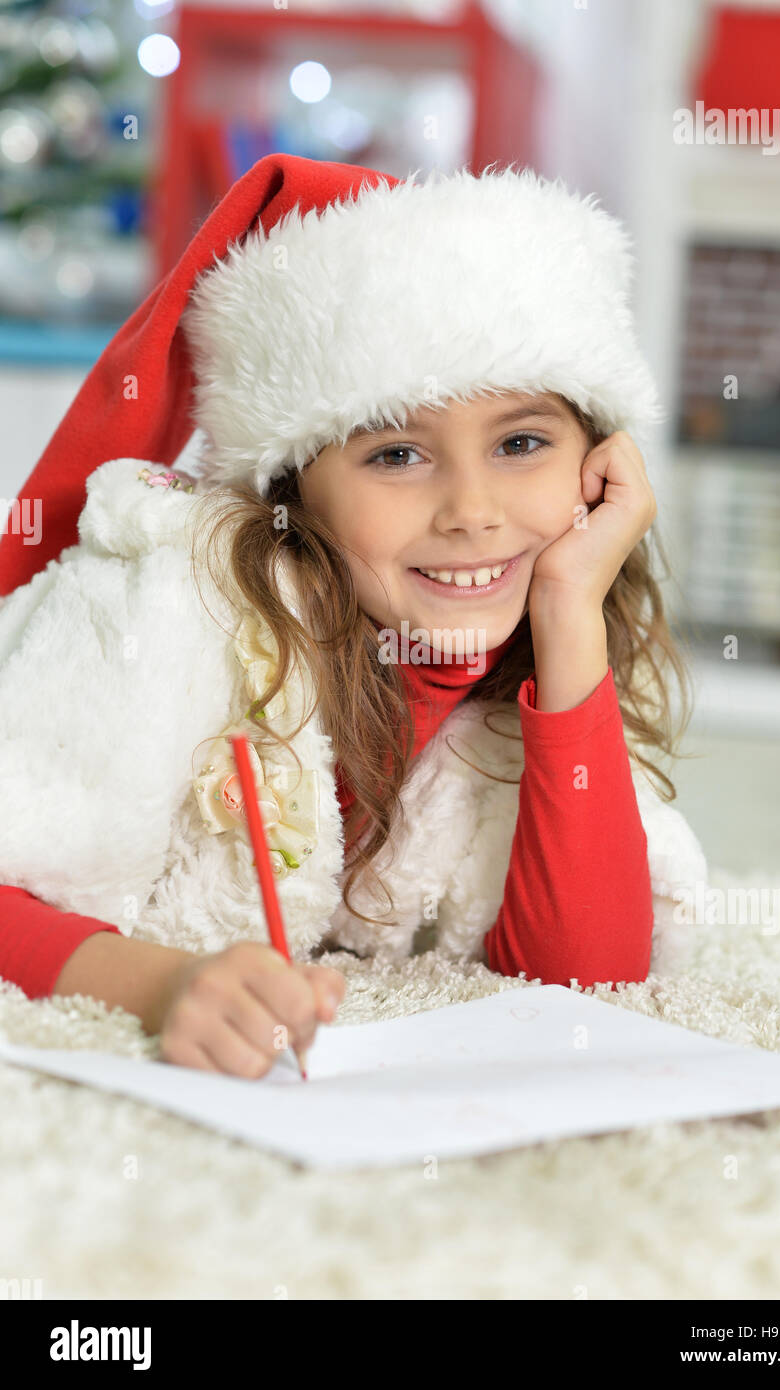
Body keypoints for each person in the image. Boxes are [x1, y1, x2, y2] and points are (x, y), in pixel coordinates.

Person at [0, 154, 707, 1078]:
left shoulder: (537, 646)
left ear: (598, 463)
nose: (471, 512)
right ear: (294, 490)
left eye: (522, 443)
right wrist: (159, 984)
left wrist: (570, 609)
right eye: (397, 455)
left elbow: (591, 981)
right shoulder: (166, 602)